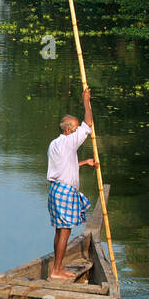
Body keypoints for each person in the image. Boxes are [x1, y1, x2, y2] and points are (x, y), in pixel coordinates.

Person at [47, 86, 99, 280]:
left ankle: (57, 268)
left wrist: (84, 163)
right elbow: (88, 124)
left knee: (60, 229)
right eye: (75, 129)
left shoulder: (55, 144)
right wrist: (86, 101)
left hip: (56, 190)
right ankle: (56, 270)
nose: (78, 131)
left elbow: (64, 166)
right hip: (65, 191)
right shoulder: (69, 142)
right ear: (69, 130)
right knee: (66, 230)